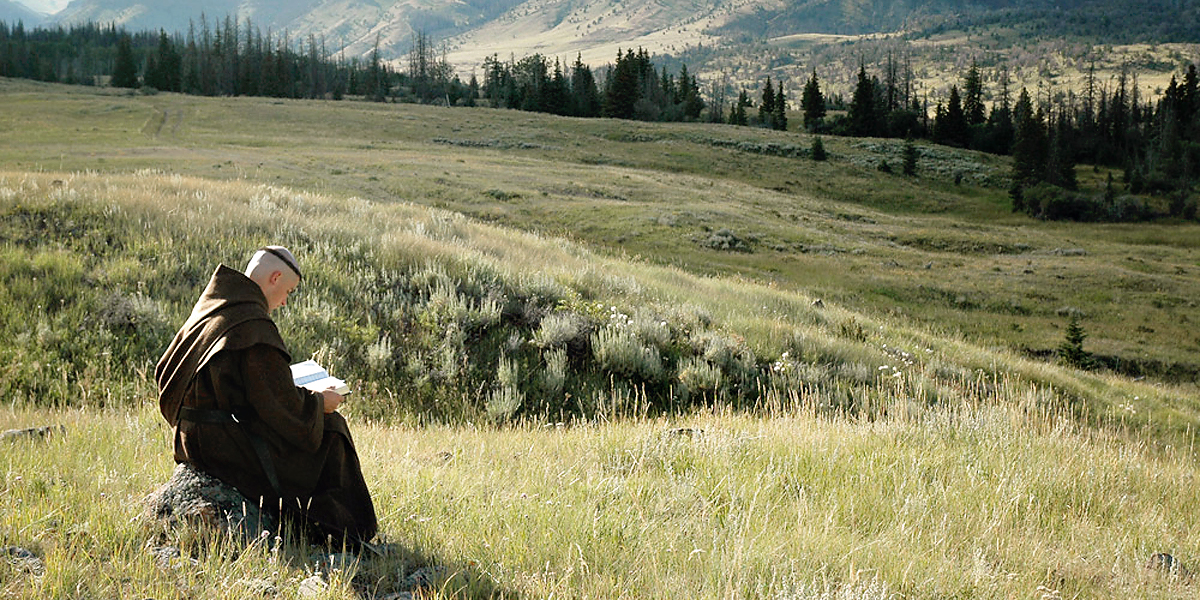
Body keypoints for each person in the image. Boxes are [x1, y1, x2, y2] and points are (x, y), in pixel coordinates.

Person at [155, 246, 377, 548]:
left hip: (189, 437)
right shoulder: (252, 325)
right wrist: (317, 402)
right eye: (288, 291)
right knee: (332, 431)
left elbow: (167, 373)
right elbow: (285, 411)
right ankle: (338, 534)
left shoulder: (213, 305)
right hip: (219, 447)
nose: (284, 301)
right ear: (275, 277)